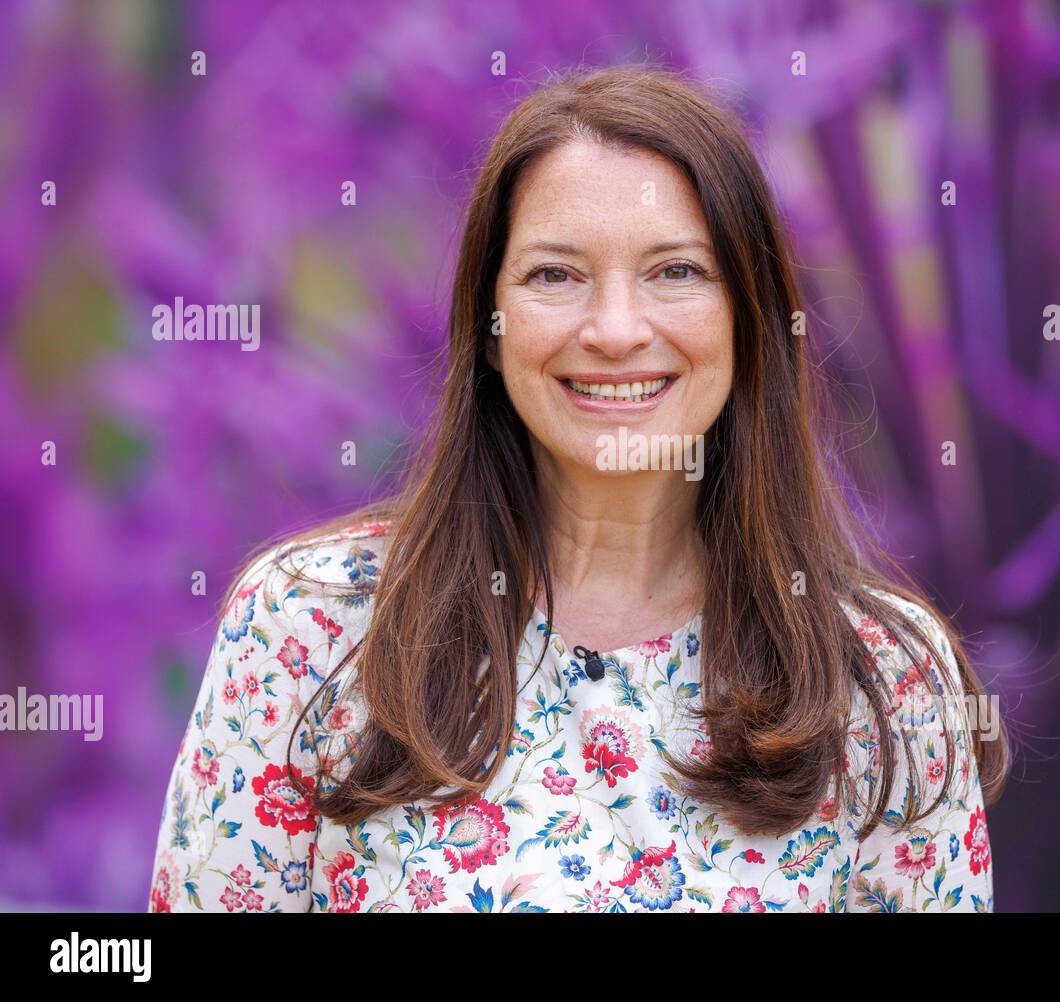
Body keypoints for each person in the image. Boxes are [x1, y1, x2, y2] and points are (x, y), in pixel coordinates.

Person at [147, 64, 1006, 914]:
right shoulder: (307, 629)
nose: (616, 331)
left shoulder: (886, 682)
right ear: (489, 328)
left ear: (750, 319)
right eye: (555, 276)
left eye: (676, 271)